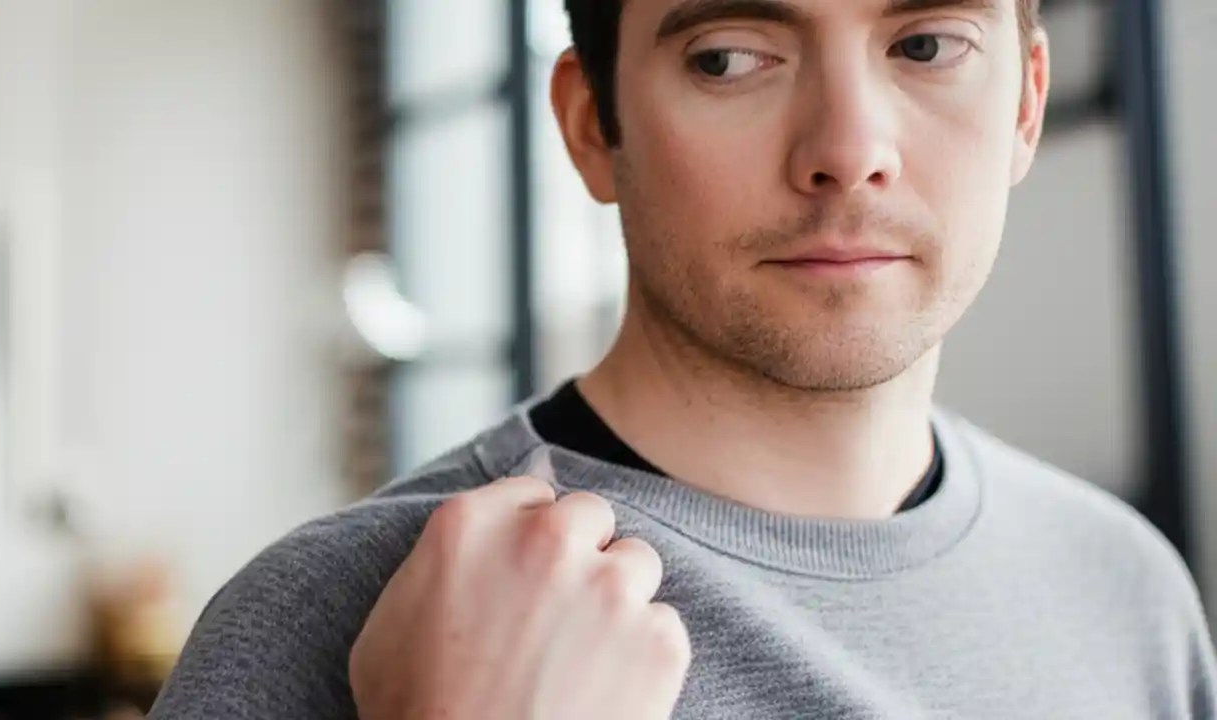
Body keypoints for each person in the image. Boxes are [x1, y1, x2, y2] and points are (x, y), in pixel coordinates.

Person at [149, 0, 1217, 717]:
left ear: (1025, 103)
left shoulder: (1128, 591)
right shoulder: (329, 619)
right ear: (591, 127)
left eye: (927, 45)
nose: (848, 151)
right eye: (728, 58)